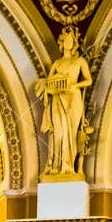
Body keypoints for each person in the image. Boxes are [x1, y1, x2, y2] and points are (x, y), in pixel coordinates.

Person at [33, 25, 92, 176]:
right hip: (58, 100)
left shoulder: (79, 61)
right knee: (58, 132)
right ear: (61, 42)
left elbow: (88, 80)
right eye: (65, 40)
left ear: (74, 43)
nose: (68, 43)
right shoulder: (57, 63)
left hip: (73, 99)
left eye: (70, 40)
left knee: (70, 132)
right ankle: (55, 165)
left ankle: (68, 165)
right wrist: (50, 87)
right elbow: (47, 81)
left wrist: (74, 85)